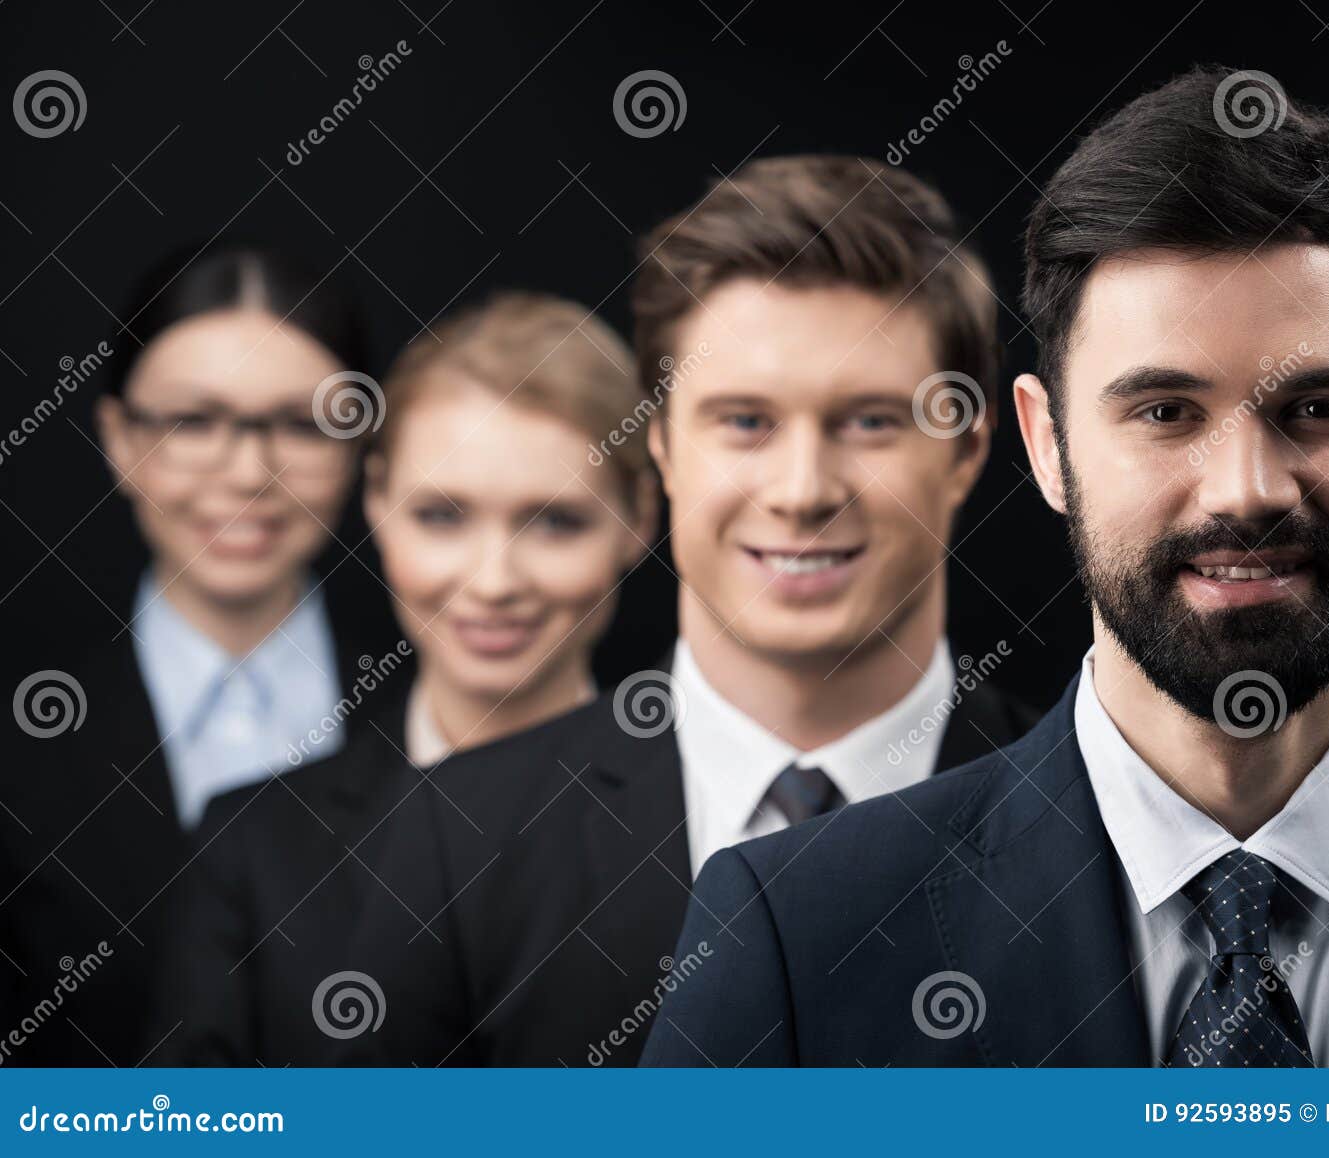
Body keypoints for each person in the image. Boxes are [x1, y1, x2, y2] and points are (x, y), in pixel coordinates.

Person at [641, 68, 1329, 1067]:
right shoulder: (795, 940)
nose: (1242, 490)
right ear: (1047, 444)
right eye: (1163, 413)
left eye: (1319, 409)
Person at [336, 155, 1038, 1067]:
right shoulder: (452, 839)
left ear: (966, 449)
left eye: (868, 420)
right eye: (744, 421)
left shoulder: (1096, 832)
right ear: (660, 444)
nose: (801, 491)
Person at [155, 292, 656, 1064]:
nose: (493, 581)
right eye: (443, 516)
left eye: (555, 521)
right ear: (378, 501)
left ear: (640, 518)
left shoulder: (721, 817)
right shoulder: (253, 848)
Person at [0, 243, 394, 1066]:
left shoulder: (447, 721)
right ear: (118, 436)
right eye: (192, 421)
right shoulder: (16, 747)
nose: (249, 471)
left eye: (301, 423)